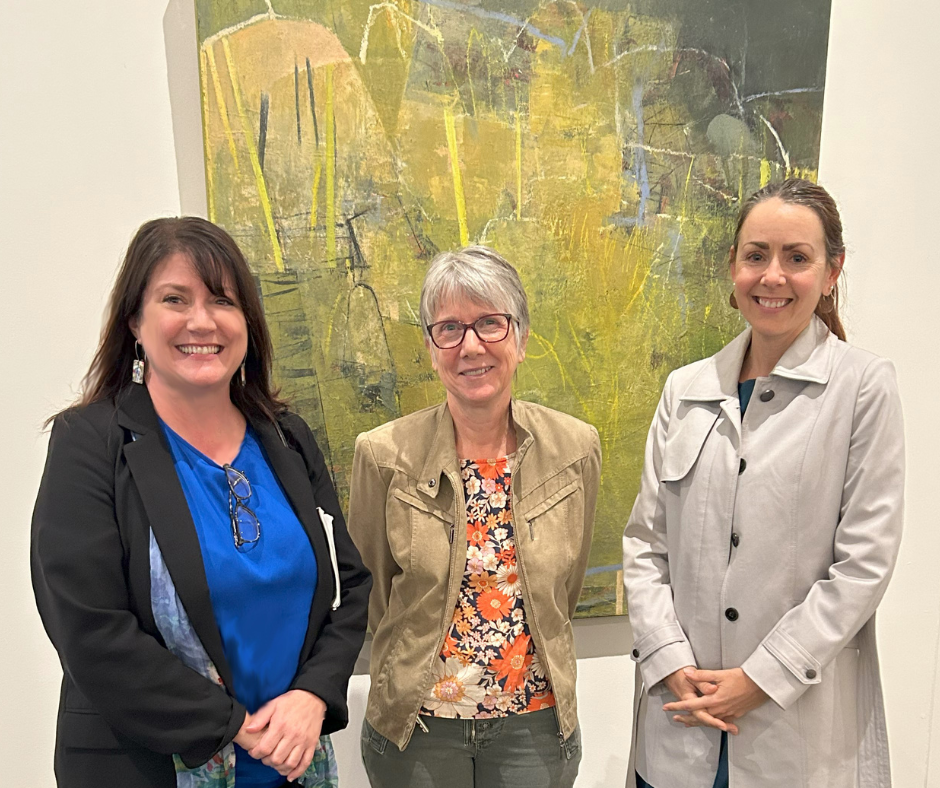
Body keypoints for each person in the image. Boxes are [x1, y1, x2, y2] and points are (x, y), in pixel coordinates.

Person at [31, 217, 371, 788]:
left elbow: (350, 585)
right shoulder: (90, 442)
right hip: (151, 766)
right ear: (135, 321)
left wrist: (313, 695)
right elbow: (88, 628)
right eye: (174, 299)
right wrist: (232, 724)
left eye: (223, 300)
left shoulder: (286, 437)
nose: (201, 320)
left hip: (293, 765)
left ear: (247, 323)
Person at [622, 178, 904, 788]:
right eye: (756, 255)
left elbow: (863, 566)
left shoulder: (863, 388)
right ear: (733, 267)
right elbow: (646, 546)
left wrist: (760, 679)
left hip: (793, 734)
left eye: (796, 258)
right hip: (680, 724)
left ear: (833, 271)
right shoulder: (685, 389)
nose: (772, 276)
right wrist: (670, 661)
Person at [347, 246, 601, 787]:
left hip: (534, 722)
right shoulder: (383, 455)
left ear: (521, 337)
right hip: (416, 727)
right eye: (450, 329)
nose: (471, 345)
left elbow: (565, 586)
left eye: (490, 323)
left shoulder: (575, 449)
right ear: (431, 346)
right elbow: (371, 592)